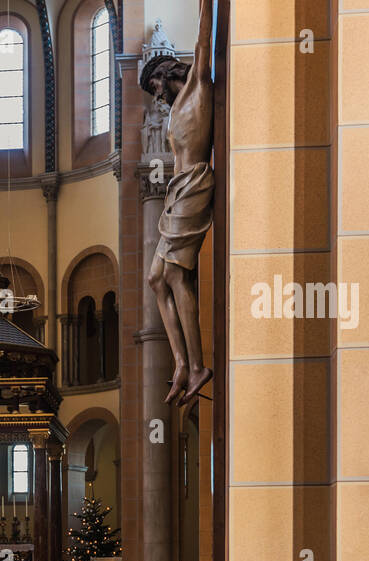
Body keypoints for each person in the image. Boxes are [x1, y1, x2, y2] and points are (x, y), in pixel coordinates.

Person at [142, 0, 215, 406]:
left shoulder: (197, 87)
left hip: (194, 183)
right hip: (176, 191)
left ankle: (197, 364)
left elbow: (204, 40)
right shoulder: (173, 112)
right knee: (156, 278)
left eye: (155, 83)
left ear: (169, 73)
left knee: (175, 276)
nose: (156, 93)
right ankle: (181, 364)